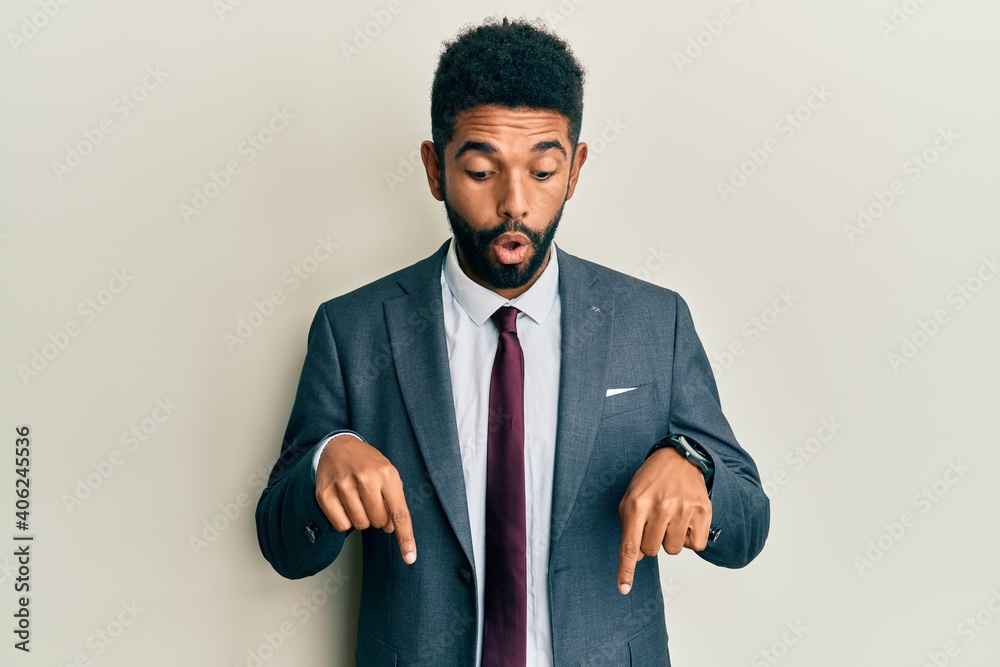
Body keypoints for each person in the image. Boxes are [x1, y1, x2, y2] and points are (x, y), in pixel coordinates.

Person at [255, 16, 769, 667]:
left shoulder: (652, 322)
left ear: (576, 169)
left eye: (544, 170)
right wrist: (324, 462)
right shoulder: (353, 329)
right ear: (435, 168)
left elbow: (747, 526)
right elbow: (281, 544)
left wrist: (694, 465)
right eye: (480, 171)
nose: (514, 204)